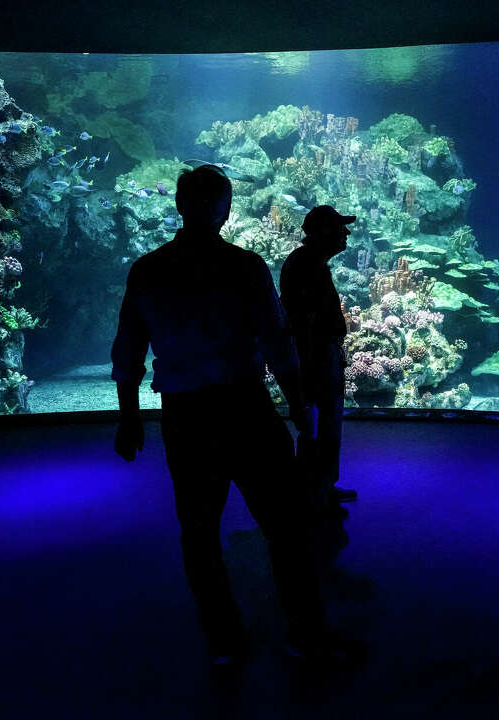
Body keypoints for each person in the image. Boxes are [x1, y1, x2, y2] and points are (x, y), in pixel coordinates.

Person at [111, 165, 341, 668]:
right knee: (285, 523)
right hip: (245, 408)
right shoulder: (244, 266)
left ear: (178, 205)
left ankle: (224, 642)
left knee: (199, 532)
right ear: (227, 210)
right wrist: (298, 405)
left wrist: (129, 416)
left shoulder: (148, 270)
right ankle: (305, 633)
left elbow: (129, 349)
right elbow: (277, 343)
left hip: (185, 414)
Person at [279, 205, 357, 507]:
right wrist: (310, 367)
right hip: (317, 361)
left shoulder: (309, 262)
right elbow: (305, 322)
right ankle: (316, 495)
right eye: (339, 228)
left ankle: (321, 487)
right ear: (324, 232)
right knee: (321, 427)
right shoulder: (308, 266)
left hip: (319, 357)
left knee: (322, 426)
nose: (345, 233)